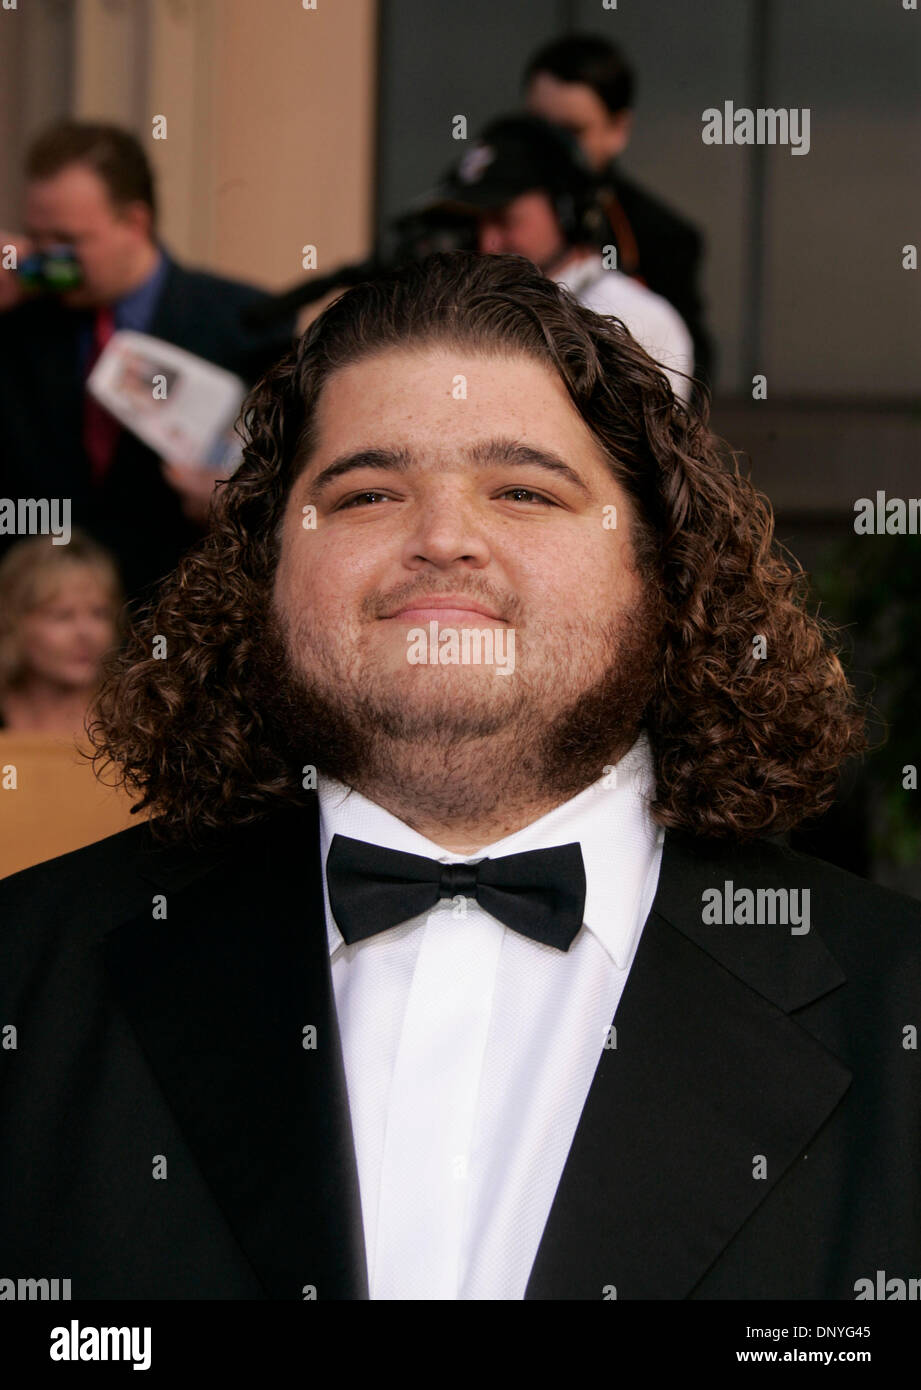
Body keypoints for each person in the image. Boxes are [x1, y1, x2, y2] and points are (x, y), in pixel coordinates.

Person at [0, 251, 917, 1301]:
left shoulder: (898, 1012)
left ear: (660, 570)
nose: (441, 538)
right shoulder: (29, 975)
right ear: (266, 574)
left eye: (523, 489)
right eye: (366, 493)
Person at [0, 121, 296, 607]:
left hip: (182, 626)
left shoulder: (250, 325)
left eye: (67, 242)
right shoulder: (18, 322)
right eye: (37, 239)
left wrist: (239, 497)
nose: (50, 261)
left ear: (134, 223)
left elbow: (288, 487)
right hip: (36, 629)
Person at [434, 114, 694, 404]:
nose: (487, 243)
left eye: (504, 219)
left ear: (567, 210)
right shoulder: (464, 307)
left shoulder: (637, 316)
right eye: (477, 225)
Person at [524, 33, 713, 386]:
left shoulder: (660, 236)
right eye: (537, 128)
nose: (548, 148)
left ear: (618, 130)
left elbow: (688, 373)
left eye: (571, 132)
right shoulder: (478, 212)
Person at [0, 531, 144, 876]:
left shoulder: (143, 733)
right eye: (62, 616)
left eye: (98, 613)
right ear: (15, 623)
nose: (85, 632)